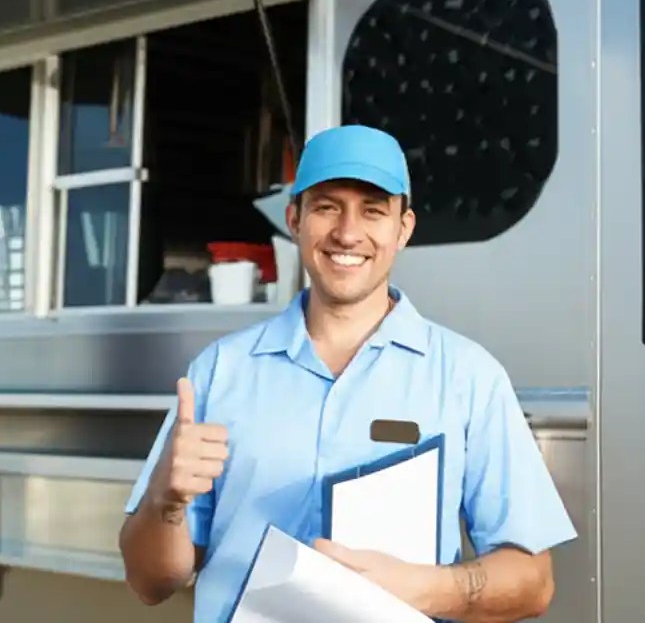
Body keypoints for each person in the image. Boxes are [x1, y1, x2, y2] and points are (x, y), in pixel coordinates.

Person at [119, 125, 577, 622]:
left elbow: (534, 584)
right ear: (295, 220)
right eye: (327, 207)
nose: (348, 232)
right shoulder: (219, 371)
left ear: (403, 228)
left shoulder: (469, 378)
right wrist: (165, 502)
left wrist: (431, 588)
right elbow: (148, 583)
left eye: (373, 210)